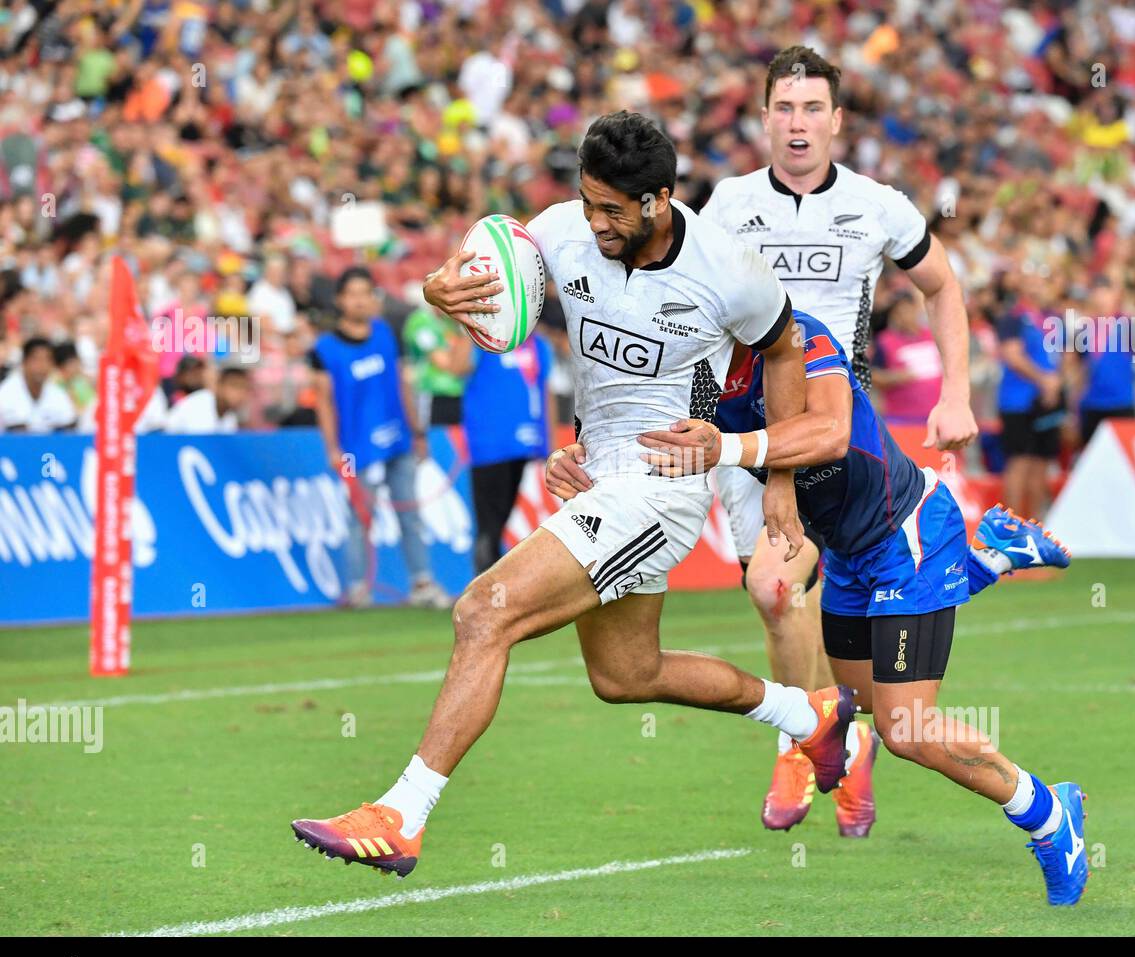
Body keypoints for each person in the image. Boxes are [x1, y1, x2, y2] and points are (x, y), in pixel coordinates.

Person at [291, 112, 842, 879]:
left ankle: (401, 813)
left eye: (613, 209)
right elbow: (475, 268)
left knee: (483, 610)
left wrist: (778, 477)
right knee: (626, 674)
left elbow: (784, 350)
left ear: (659, 198)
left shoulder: (728, 267)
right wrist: (435, 288)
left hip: (662, 488)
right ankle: (806, 712)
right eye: (587, 202)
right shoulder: (560, 231)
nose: (595, 222)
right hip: (597, 473)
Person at [636, 310, 1086, 905]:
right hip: (847, 556)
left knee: (906, 729)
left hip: (906, 534)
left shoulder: (799, 335)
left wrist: (750, 461)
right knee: (865, 703)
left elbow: (830, 432)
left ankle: (1049, 815)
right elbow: (665, 443)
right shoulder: (703, 374)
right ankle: (989, 561)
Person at [697, 46, 979, 835]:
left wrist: (955, 392)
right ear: (763, 119)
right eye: (784, 109)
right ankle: (834, 736)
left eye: (812, 108)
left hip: (836, 435)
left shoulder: (875, 205)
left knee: (776, 587)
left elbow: (942, 284)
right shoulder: (724, 206)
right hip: (750, 425)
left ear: (837, 121)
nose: (798, 124)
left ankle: (803, 741)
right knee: (782, 597)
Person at [308, 267, 450, 610]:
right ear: (340, 300)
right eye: (353, 293)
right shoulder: (324, 349)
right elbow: (323, 402)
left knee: (409, 513)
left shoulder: (386, 333)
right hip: (356, 448)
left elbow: (403, 384)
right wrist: (332, 448)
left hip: (399, 439)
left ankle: (421, 582)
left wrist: (417, 431)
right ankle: (357, 588)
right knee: (360, 517)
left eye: (366, 292)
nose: (360, 300)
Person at [461, 331, 554, 574]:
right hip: (488, 444)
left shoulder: (539, 344)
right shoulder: (485, 338)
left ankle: (488, 585)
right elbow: (458, 367)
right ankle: (483, 584)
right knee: (489, 521)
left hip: (524, 442)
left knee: (501, 516)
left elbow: (545, 391)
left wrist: (547, 441)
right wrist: (466, 327)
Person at [997, 266, 1065, 520]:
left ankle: (1035, 527)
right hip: (1018, 402)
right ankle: (1011, 529)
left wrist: (1056, 384)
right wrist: (1045, 380)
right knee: (1019, 464)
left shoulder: (1051, 317)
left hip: (1047, 401)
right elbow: (1013, 356)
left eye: (1041, 280)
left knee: (1041, 464)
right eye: (1032, 280)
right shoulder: (1013, 317)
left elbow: (1061, 357)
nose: (1038, 285)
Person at [1063, 276, 1135, 447]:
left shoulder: (1127, 324)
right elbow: (1075, 369)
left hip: (1121, 403)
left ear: (1115, 296)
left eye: (1105, 293)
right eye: (1097, 293)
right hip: (1091, 405)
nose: (1101, 299)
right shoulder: (1084, 328)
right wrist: (1071, 411)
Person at [871, 291, 944, 426]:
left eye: (907, 309)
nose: (903, 316)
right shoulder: (885, 341)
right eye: (898, 312)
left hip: (936, 415)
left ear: (916, 309)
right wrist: (894, 378)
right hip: (901, 419)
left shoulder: (932, 335)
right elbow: (873, 374)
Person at [0, 337, 77, 433]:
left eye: (47, 360)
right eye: (36, 360)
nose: (42, 366)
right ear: (24, 362)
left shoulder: (58, 394)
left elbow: (69, 427)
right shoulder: (4, 394)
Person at [164, 365, 250, 433]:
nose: (240, 393)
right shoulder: (199, 405)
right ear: (218, 386)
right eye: (234, 386)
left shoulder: (230, 417)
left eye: (244, 388)